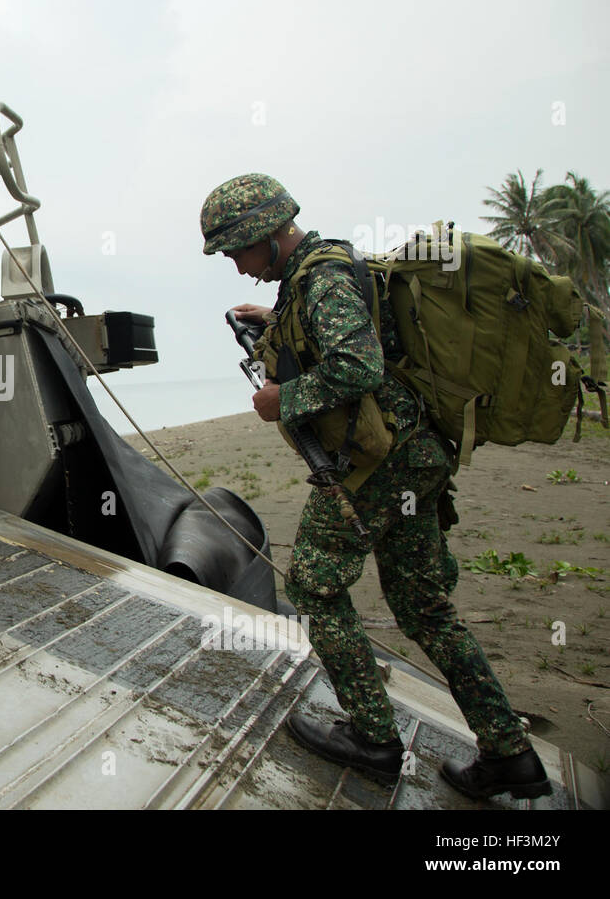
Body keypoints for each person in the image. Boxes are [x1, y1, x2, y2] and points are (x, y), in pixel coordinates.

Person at [200, 173, 550, 800]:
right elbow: (359, 336)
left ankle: (373, 738)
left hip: (383, 464)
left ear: (263, 235)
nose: (236, 266)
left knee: (312, 582)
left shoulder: (322, 276)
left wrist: (286, 398)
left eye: (235, 251)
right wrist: (278, 316)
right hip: (414, 457)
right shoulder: (316, 273)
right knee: (424, 608)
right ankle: (510, 752)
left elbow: (357, 365)